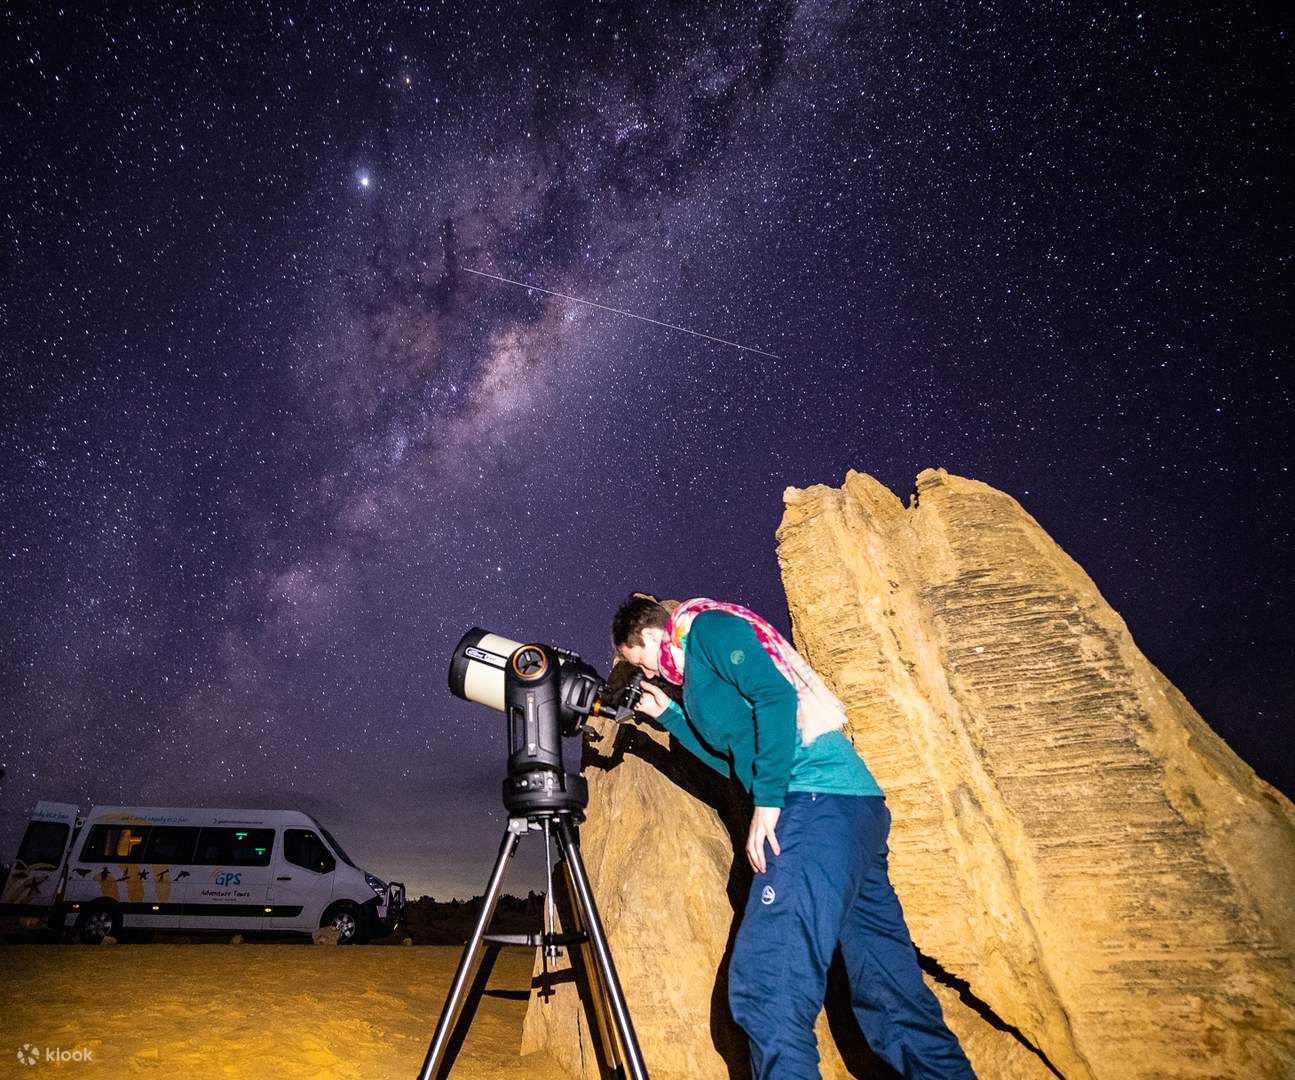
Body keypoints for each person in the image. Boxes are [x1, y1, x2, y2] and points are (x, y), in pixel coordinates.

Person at [612, 593, 975, 1080]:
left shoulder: (708, 630)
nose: (650, 675)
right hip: (849, 810)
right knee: (888, 993)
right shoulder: (696, 679)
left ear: (653, 633)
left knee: (767, 986)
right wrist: (669, 716)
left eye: (643, 662)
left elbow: (776, 694)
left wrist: (769, 802)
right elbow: (735, 759)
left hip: (814, 802)